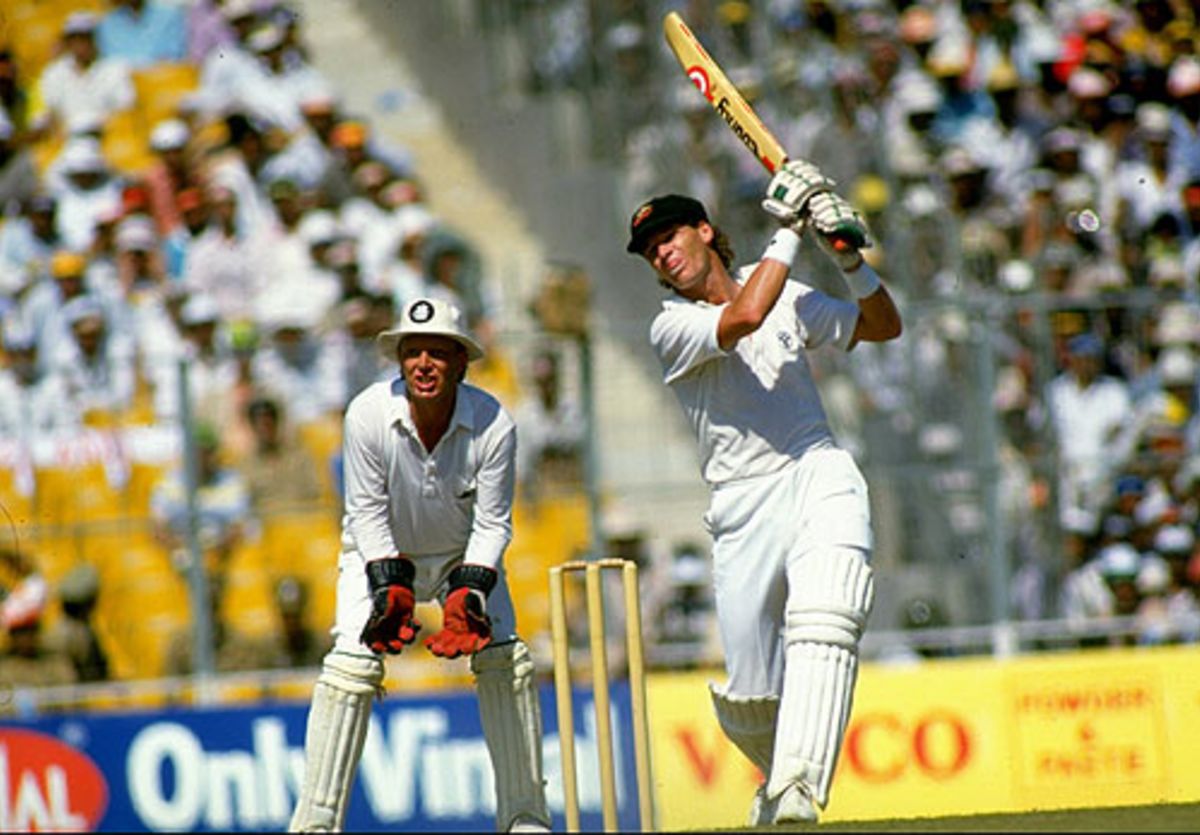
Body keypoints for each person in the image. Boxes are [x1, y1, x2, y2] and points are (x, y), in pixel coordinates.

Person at [624, 164, 902, 826]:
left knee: (828, 611)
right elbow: (746, 316)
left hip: (815, 468)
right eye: (651, 251)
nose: (663, 253)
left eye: (669, 236)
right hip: (742, 504)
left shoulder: (786, 285)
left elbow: (883, 325)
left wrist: (847, 259)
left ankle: (799, 786)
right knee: (751, 700)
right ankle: (777, 777)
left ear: (704, 231)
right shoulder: (671, 325)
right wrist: (789, 230)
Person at [288, 297, 550, 833]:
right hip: (379, 552)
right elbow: (363, 511)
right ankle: (314, 825)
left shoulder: (495, 422)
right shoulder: (366, 414)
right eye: (412, 352)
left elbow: (495, 522)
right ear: (399, 361)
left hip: (461, 555)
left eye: (437, 352)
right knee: (351, 669)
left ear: (461, 363)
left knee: (507, 661)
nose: (423, 364)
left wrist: (470, 588)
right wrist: (389, 582)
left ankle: (526, 820)